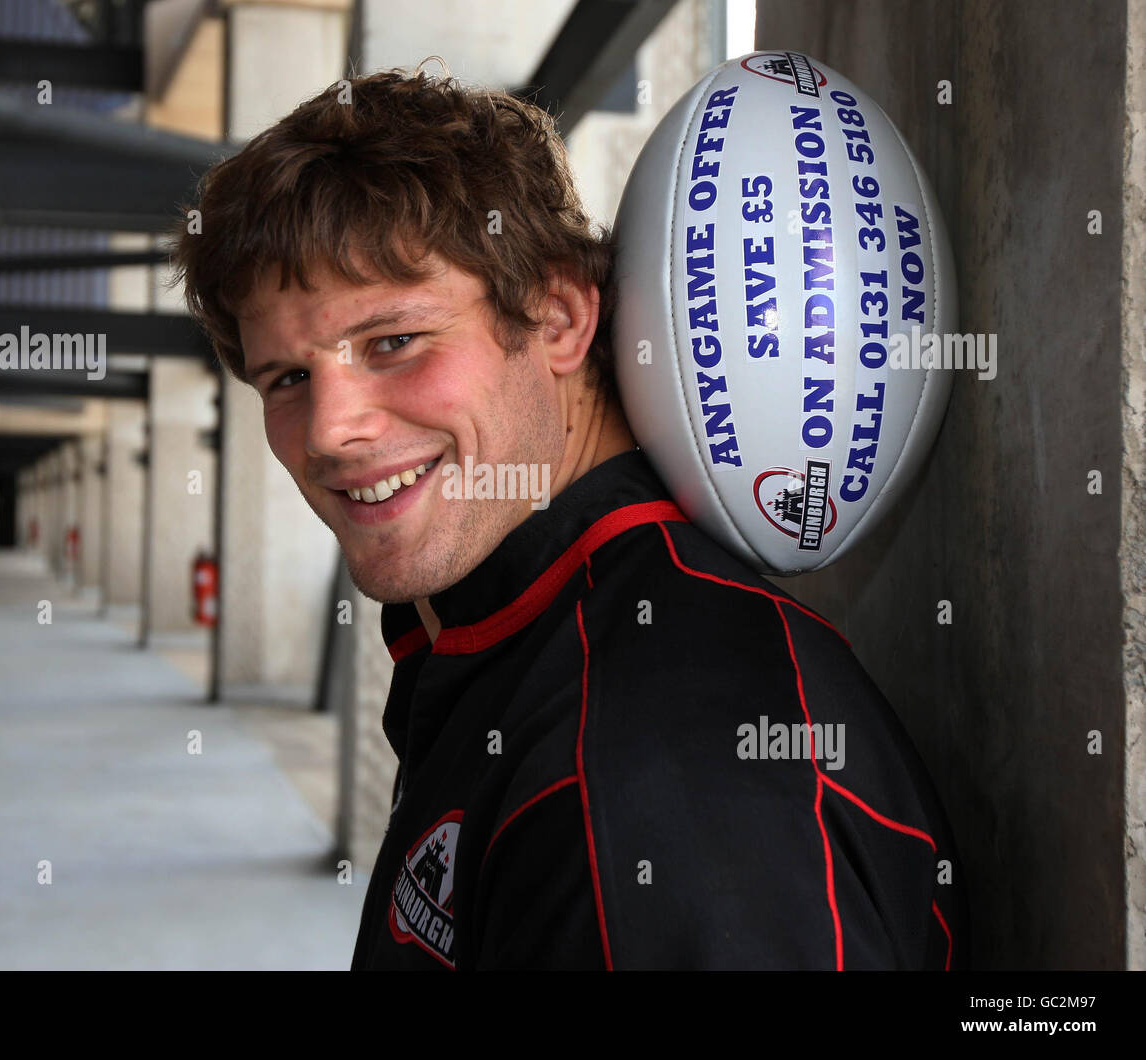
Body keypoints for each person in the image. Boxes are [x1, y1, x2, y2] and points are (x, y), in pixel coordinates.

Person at [170, 65, 968, 970]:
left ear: (557, 318)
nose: (329, 429)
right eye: (288, 378)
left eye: (393, 342)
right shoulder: (521, 635)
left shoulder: (657, 772)